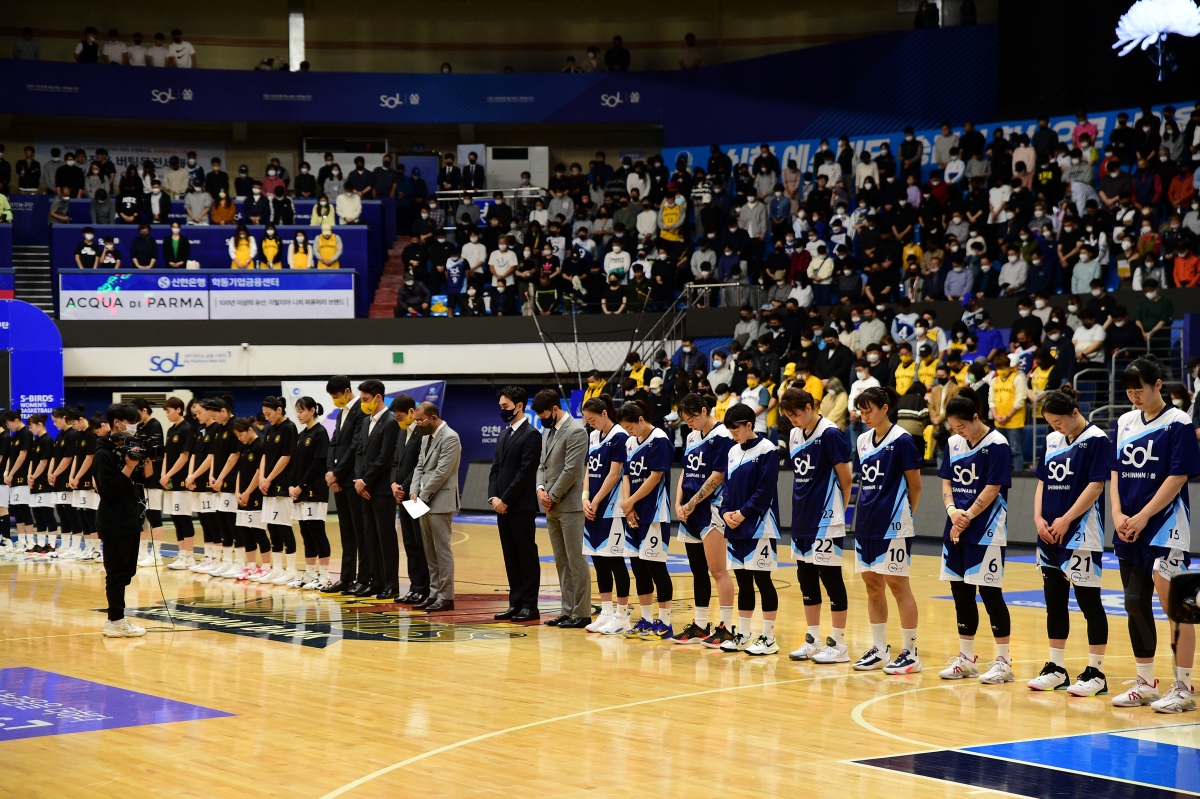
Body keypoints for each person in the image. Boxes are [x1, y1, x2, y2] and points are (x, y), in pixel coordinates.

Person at [1110, 357, 1200, 713]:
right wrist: (1117, 514)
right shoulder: (1124, 422)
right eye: (1129, 391)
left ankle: (1184, 687)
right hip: (1129, 527)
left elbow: (1177, 477)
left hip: (1165, 527)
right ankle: (1145, 683)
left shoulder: (1178, 422)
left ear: (1158, 385)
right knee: (1134, 604)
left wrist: (1145, 515)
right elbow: (1115, 472)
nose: (1135, 397)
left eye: (1140, 390)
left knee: (1177, 609)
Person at [1028, 388, 1112, 696]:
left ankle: (1096, 672)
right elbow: (1042, 483)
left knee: (1090, 604)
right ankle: (1056, 668)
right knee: (1054, 603)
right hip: (1049, 533)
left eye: (1059, 422)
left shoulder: (1097, 439)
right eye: (1051, 423)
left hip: (1081, 533)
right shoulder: (1052, 440)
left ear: (1075, 412)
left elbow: (1096, 486)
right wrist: (1038, 518)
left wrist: (1066, 519)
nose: (1055, 427)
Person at [937, 389, 1015, 684]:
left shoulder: (997, 444)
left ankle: (1004, 662)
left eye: (962, 426)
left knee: (990, 594)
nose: (958, 432)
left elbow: (993, 488)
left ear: (975, 417)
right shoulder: (953, 443)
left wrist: (967, 516)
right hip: (956, 526)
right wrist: (952, 511)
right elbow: (947, 482)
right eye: (953, 427)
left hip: (987, 530)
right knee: (960, 594)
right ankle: (966, 659)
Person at [852, 386, 923, 674]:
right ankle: (880, 649)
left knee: (898, 587)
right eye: (861, 411)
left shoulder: (902, 440)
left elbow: (915, 486)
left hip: (894, 525)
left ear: (885, 408)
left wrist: (905, 516)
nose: (864, 416)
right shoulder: (862, 440)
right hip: (865, 523)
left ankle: (911, 652)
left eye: (869, 410)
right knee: (872, 587)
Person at [780, 387, 853, 663]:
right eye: (789, 416)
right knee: (806, 579)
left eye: (796, 414)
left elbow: (845, 478)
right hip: (802, 517)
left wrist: (838, 511)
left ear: (810, 407)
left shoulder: (830, 433)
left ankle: (839, 644)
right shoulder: (794, 434)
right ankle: (813, 640)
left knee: (831, 579)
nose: (793, 420)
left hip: (826, 519)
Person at [715, 403, 781, 656]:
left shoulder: (767, 450)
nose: (734, 435)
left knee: (763, 581)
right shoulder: (733, 451)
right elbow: (727, 488)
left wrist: (742, 513)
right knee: (743, 582)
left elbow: (764, 491)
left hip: (760, 526)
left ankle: (769, 638)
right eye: (730, 431)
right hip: (735, 525)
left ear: (749, 425)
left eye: (736, 430)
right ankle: (743, 634)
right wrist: (725, 513)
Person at [672, 394, 736, 646]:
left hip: (711, 509)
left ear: (703, 411)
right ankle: (700, 625)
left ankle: (727, 628)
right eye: (685, 420)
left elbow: (718, 476)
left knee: (718, 571)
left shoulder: (722, 436)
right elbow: (685, 472)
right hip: (690, 510)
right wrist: (678, 503)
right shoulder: (691, 436)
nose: (689, 423)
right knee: (697, 570)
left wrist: (692, 503)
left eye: (691, 418)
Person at [617, 400, 675, 641]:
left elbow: (655, 477)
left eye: (630, 427)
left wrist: (630, 502)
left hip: (654, 513)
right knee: (638, 569)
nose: (629, 432)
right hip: (633, 513)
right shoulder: (630, 442)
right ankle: (647, 620)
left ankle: (666, 623)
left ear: (641, 419)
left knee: (656, 568)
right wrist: (628, 506)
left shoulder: (660, 439)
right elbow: (626, 475)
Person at [533, 390, 590, 628]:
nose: (542, 420)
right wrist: (540, 489)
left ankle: (582, 612)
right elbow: (541, 466)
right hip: (551, 506)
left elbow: (572, 469)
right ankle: (567, 610)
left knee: (576, 560)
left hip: (570, 506)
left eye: (543, 415)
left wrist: (552, 496)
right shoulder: (548, 432)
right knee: (561, 561)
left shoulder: (576, 431)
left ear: (555, 409)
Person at [489, 387, 543, 622]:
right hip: (501, 507)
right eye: (501, 406)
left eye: (505, 407)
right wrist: (493, 497)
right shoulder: (504, 434)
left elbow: (526, 472)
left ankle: (530, 606)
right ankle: (515, 602)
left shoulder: (532, 435)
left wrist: (506, 499)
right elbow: (495, 468)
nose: (502, 411)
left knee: (525, 556)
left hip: (520, 507)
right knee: (510, 557)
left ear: (519, 406)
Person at [94, 403, 147, 638]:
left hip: (131, 517)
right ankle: (115, 621)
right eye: (131, 422)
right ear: (117, 422)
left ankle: (118, 618)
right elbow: (108, 490)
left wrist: (142, 463)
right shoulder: (103, 454)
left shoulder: (127, 448)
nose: (134, 426)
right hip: (113, 520)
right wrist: (128, 468)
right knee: (116, 574)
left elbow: (142, 481)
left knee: (127, 572)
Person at [580, 395, 632, 634]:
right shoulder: (593, 436)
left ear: (604, 414)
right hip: (593, 505)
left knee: (614, 560)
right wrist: (585, 497)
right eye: (587, 420)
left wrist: (596, 500)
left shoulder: (620, 435)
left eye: (592, 419)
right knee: (598, 560)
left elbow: (614, 474)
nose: (590, 423)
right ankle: (607, 612)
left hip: (612, 508)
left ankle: (622, 616)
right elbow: (589, 470)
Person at [410, 402, 462, 612]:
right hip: (423, 500)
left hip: (440, 501)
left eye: (420, 420)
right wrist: (414, 491)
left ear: (433, 418)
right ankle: (433, 594)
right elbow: (419, 466)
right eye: (415, 421)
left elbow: (442, 472)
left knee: (442, 551)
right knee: (429, 551)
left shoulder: (450, 437)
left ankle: (446, 596)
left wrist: (422, 496)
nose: (418, 424)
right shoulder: (425, 438)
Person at [352, 380, 400, 599]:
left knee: (385, 537)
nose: (363, 403)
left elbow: (385, 457)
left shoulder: (390, 422)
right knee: (369, 536)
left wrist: (366, 481)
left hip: (380, 489)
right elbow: (359, 453)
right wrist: (358, 480)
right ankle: (376, 581)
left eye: (366, 399)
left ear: (378, 398)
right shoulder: (365, 422)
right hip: (364, 488)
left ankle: (391, 584)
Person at [324, 376, 367, 594]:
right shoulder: (342, 413)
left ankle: (364, 578)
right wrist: (330, 473)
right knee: (346, 532)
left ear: (347, 391)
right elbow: (334, 443)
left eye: (337, 395)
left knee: (360, 532)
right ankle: (346, 577)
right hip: (338, 480)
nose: (335, 399)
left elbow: (355, 447)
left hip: (352, 479)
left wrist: (338, 473)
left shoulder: (360, 410)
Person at [389, 394, 430, 604]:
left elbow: (419, 466)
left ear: (412, 412)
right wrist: (393, 484)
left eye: (400, 417)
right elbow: (395, 462)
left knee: (420, 542)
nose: (398, 421)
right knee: (409, 543)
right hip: (401, 496)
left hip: (416, 496)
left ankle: (424, 588)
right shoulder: (401, 433)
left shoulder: (422, 433)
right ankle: (414, 586)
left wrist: (404, 487)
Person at [288, 397, 332, 591]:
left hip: (314, 490)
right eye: (297, 411)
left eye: (302, 410)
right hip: (300, 492)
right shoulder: (301, 435)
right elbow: (295, 464)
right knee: (305, 532)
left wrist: (301, 485)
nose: (298, 414)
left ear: (313, 410)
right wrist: (292, 486)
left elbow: (318, 464)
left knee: (317, 531)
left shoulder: (320, 433)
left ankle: (324, 576)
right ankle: (309, 573)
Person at [258, 396, 299, 585]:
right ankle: (276, 569)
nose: (267, 418)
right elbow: (265, 455)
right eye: (265, 414)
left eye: (269, 414)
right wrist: (262, 479)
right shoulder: (269, 429)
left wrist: (269, 478)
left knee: (283, 526)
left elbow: (286, 457)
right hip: (268, 486)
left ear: (279, 410)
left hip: (282, 484)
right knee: (272, 527)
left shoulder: (289, 428)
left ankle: (291, 569)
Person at [232, 416, 272, 581]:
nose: (239, 438)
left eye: (240, 434)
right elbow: (240, 471)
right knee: (245, 532)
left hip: (255, 495)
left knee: (258, 531)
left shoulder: (260, 446)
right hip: (242, 495)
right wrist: (237, 491)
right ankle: (251, 566)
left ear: (250, 429)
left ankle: (266, 566)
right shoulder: (245, 447)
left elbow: (258, 472)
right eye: (237, 436)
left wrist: (248, 492)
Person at [162, 398, 197, 569]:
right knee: (175, 518)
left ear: (178, 409)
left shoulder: (187, 429)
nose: (167, 415)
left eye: (169, 411)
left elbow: (184, 457)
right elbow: (167, 455)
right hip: (170, 481)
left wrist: (169, 474)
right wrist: (163, 475)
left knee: (184, 518)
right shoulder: (171, 430)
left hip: (182, 481)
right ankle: (182, 554)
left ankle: (189, 556)